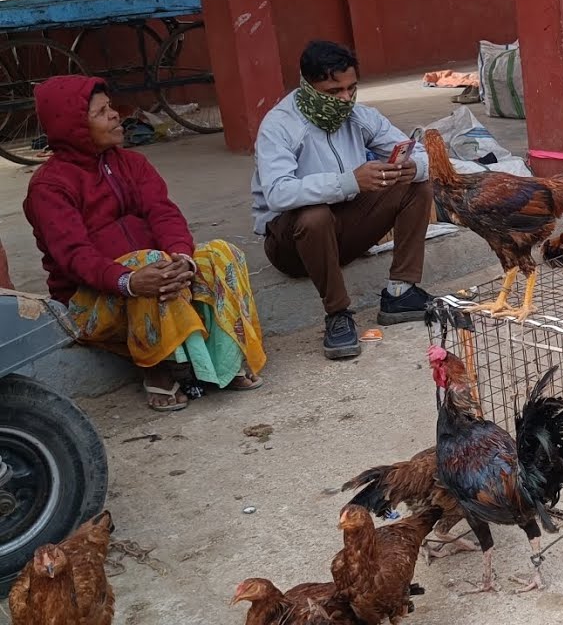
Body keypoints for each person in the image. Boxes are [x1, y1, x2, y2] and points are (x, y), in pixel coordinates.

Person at [23, 75, 267, 413]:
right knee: (147, 263)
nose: (115, 115)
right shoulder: (49, 187)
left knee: (221, 253)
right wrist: (128, 280)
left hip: (158, 278)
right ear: (72, 126)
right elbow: (75, 256)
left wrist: (181, 257)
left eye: (111, 107)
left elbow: (163, 213)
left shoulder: (133, 164)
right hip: (91, 301)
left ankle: (225, 361)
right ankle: (158, 366)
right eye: (101, 112)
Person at [252, 41, 436, 360]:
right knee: (314, 215)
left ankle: (401, 292)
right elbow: (278, 193)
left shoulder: (359, 116)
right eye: (334, 91)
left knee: (415, 186)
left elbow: (416, 151)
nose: (346, 98)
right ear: (307, 85)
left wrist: (414, 166)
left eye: (351, 88)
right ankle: (337, 314)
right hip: (292, 245)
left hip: (343, 233)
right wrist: (349, 181)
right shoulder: (278, 126)